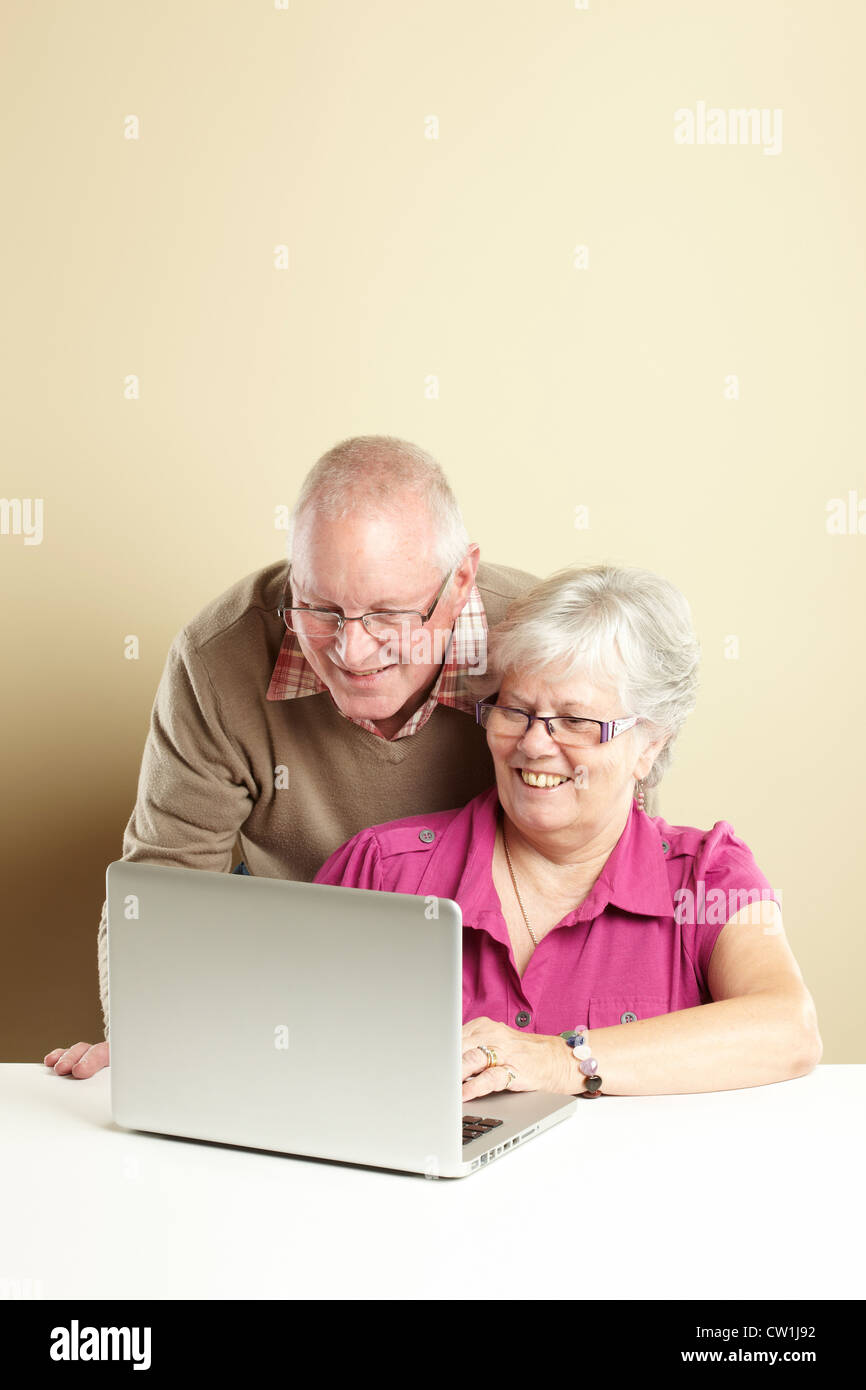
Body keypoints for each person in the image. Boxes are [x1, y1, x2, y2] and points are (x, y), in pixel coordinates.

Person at [45, 435, 554, 1079]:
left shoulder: (547, 646)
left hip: (501, 1001)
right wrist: (149, 1033)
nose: (353, 650)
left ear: (459, 582)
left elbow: (611, 856)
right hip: (299, 1002)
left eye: (389, 615)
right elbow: (163, 890)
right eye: (321, 609)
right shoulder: (217, 658)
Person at [313, 564, 822, 1099]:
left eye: (576, 721)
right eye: (516, 711)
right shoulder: (379, 870)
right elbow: (287, 1043)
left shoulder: (707, 877)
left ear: (648, 745)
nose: (533, 745)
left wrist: (560, 1061)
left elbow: (789, 1029)